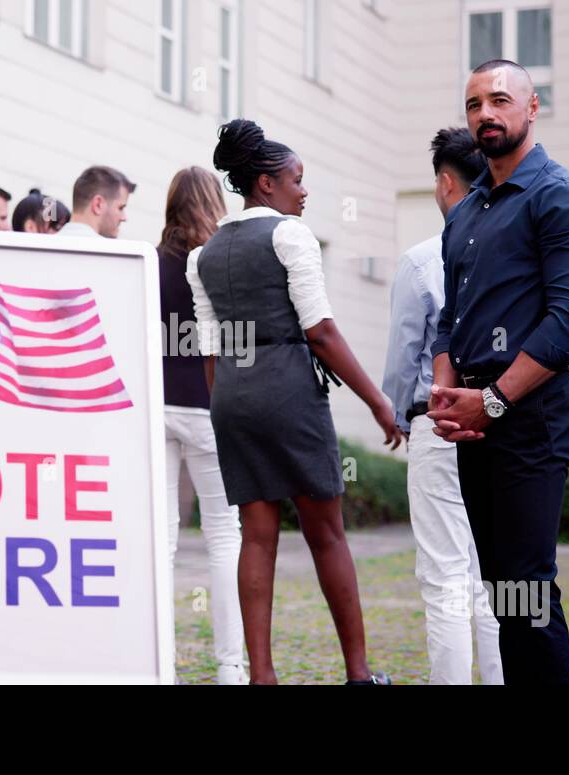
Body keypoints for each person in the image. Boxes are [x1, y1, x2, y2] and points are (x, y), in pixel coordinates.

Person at [187, 119, 404, 685]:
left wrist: (228, 409)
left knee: (255, 535)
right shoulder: (290, 236)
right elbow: (322, 332)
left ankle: (262, 676)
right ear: (265, 184)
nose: (303, 192)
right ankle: (358, 674)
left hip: (232, 395)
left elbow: (210, 351)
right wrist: (379, 401)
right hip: (288, 389)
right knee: (325, 532)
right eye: (296, 180)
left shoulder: (203, 255)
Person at [427, 60, 569, 685]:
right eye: (474, 104)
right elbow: (451, 318)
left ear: (532, 109)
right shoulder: (469, 211)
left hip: (530, 417)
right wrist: (451, 392)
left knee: (528, 590)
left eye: (500, 100)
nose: (485, 114)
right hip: (477, 422)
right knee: (504, 590)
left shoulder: (564, 197)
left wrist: (495, 401)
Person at [382, 127, 503, 685]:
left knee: (445, 574)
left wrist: (398, 414)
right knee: (493, 578)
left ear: (446, 183)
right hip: (499, 416)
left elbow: (404, 355)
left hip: (437, 421)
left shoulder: (420, 261)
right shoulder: (512, 254)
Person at [157, 167, 246, 685]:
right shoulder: (220, 261)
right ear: (213, 200)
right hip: (210, 405)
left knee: (162, 540)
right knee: (223, 537)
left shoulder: (150, 261)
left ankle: (161, 662)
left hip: (158, 407)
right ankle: (230, 667)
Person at [58, 166, 135, 238]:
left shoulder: (47, 244)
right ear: (98, 205)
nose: (124, 218)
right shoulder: (114, 250)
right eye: (120, 208)